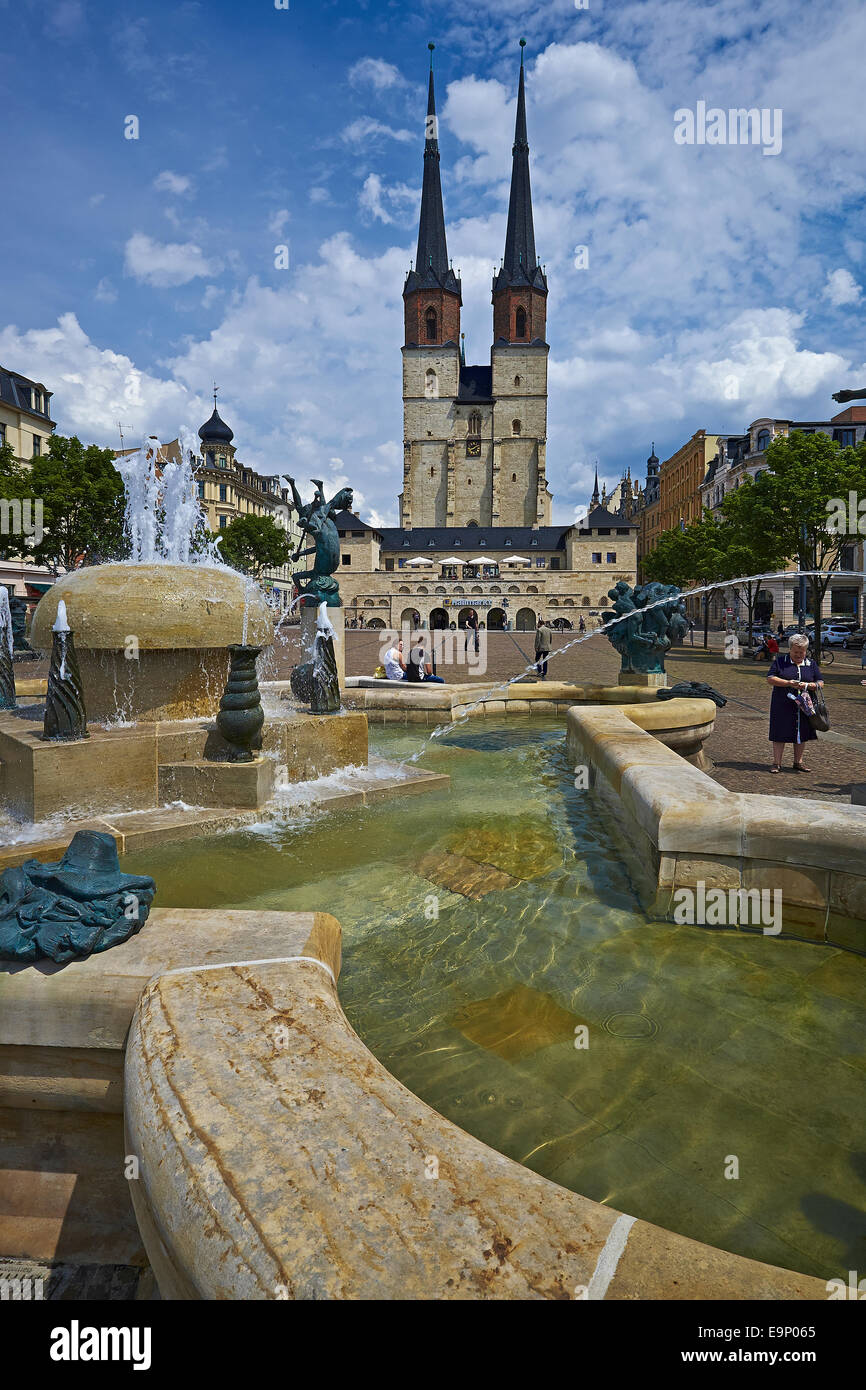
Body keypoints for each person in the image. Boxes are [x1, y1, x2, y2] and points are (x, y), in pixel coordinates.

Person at [767, 633, 823, 773]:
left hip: (804, 706)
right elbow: (770, 678)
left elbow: (821, 682)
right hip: (783, 704)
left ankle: (798, 762)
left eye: (802, 652)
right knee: (780, 732)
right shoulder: (780, 662)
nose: (799, 655)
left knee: (801, 732)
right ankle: (776, 763)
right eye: (796, 652)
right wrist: (788, 683)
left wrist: (811, 685)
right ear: (790, 649)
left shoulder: (811, 664)